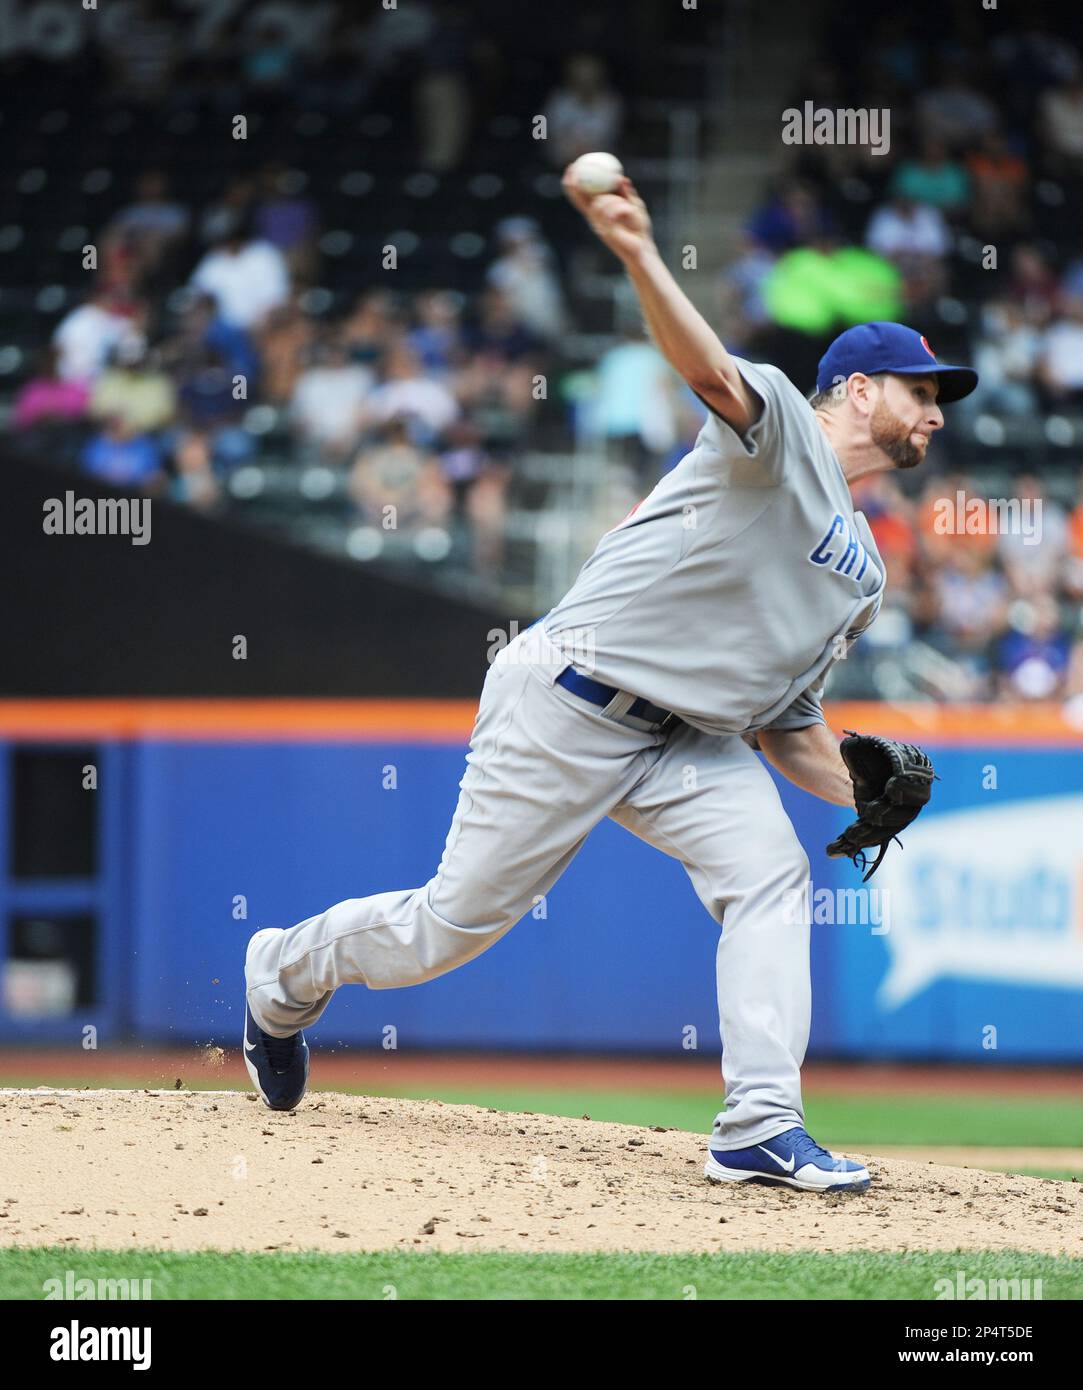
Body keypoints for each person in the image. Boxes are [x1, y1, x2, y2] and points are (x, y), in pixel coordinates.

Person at [243, 170, 978, 1195]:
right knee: (447, 929)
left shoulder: (863, 566)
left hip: (689, 738)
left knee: (769, 872)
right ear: (860, 389)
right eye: (922, 390)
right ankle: (281, 971)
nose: (936, 413)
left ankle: (760, 1124)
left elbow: (785, 723)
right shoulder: (777, 428)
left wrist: (867, 793)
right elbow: (706, 369)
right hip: (568, 698)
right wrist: (635, 249)